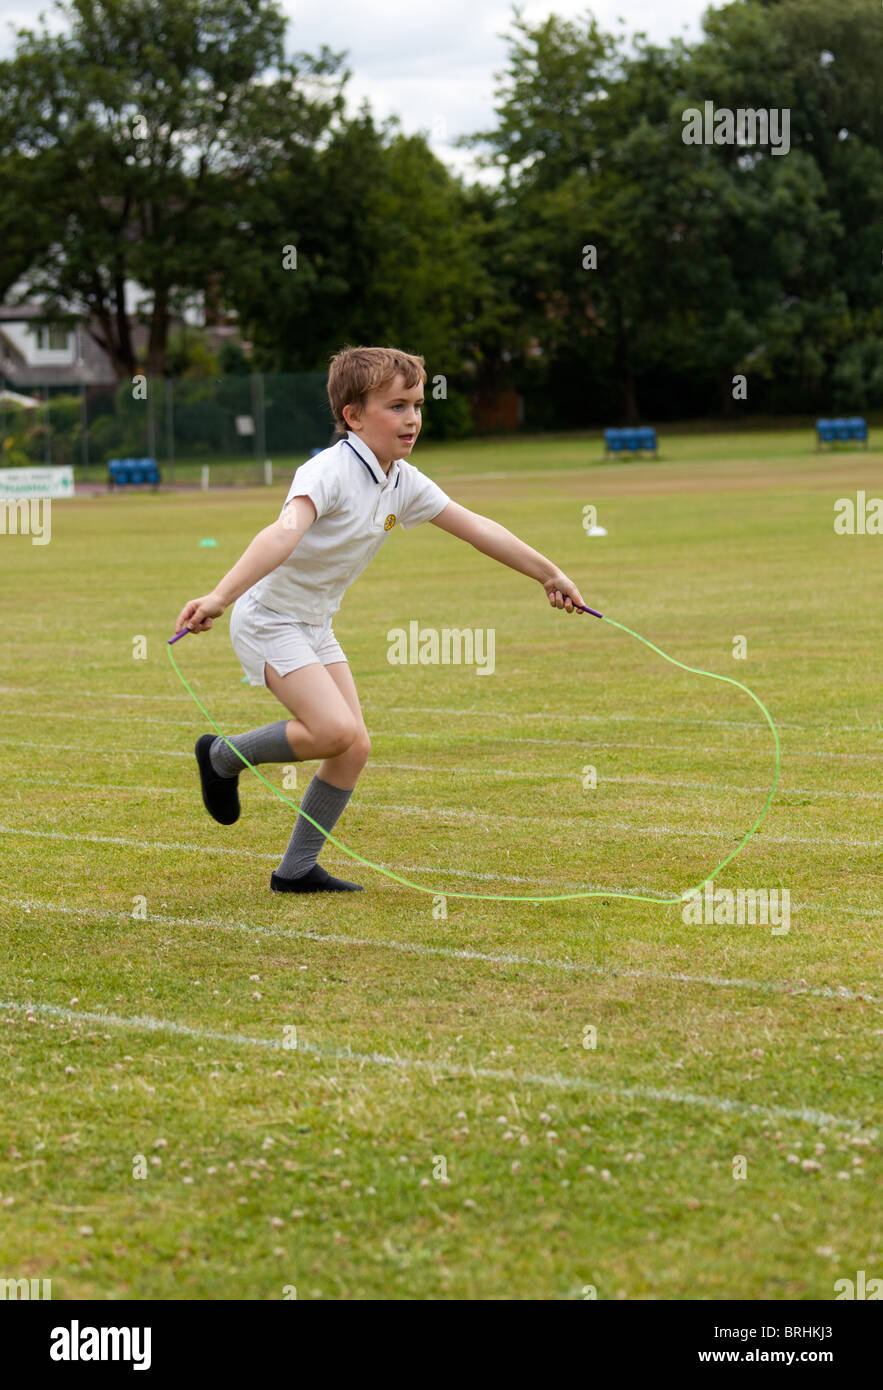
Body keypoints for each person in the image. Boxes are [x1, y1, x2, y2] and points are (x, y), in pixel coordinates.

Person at [173, 344, 587, 893]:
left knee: (354, 747)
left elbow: (477, 527)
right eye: (396, 406)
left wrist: (548, 574)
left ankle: (295, 871)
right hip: (268, 619)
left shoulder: (402, 480)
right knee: (334, 731)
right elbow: (282, 532)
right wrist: (220, 595)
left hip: (315, 624)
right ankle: (222, 756)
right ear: (353, 416)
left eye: (417, 405)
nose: (412, 418)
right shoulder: (328, 471)